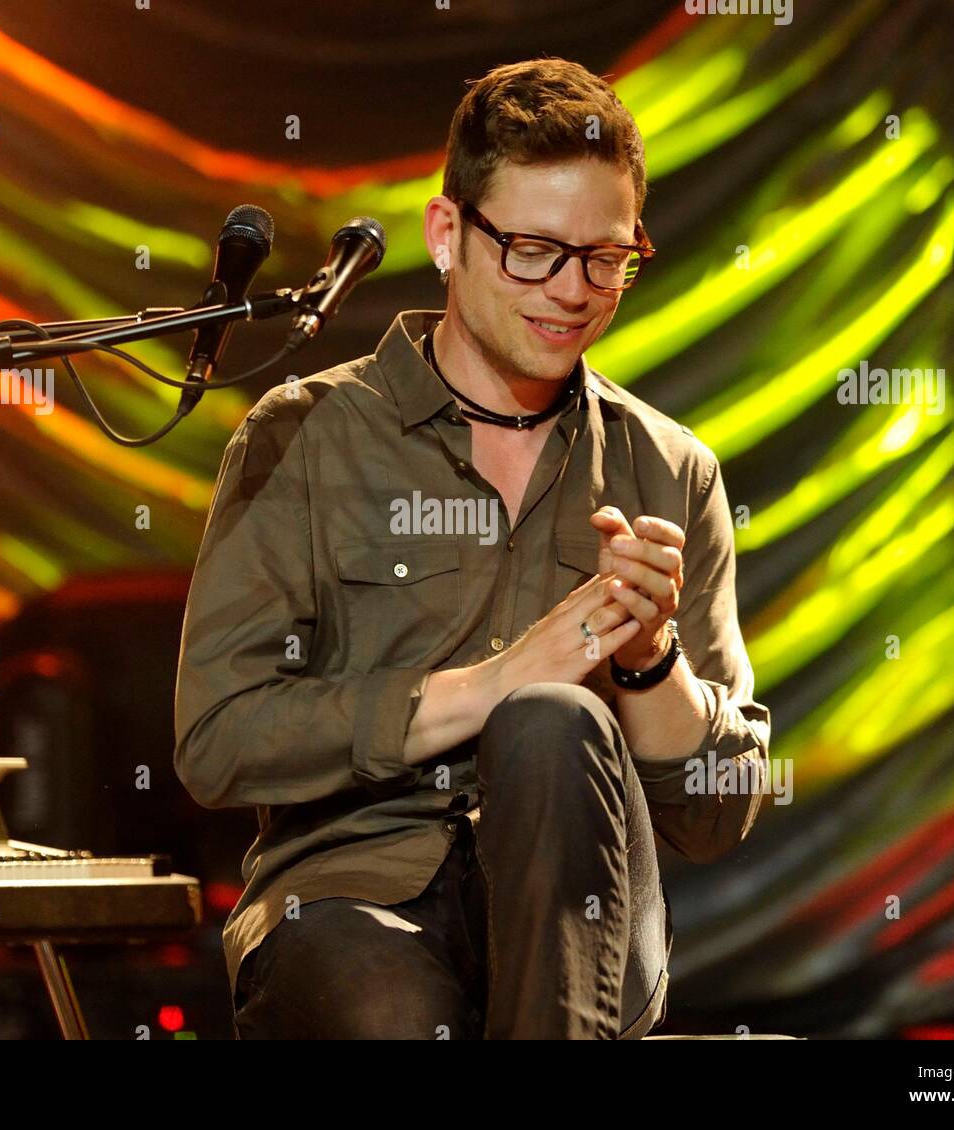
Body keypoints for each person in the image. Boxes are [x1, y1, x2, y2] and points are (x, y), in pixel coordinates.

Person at [173, 56, 771, 1040]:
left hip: (589, 911)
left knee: (549, 722)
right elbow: (218, 738)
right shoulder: (304, 435)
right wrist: (485, 683)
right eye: (534, 249)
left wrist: (646, 661)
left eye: (607, 256)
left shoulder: (668, 468)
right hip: (353, 893)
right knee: (396, 1013)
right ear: (446, 234)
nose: (574, 291)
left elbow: (719, 810)